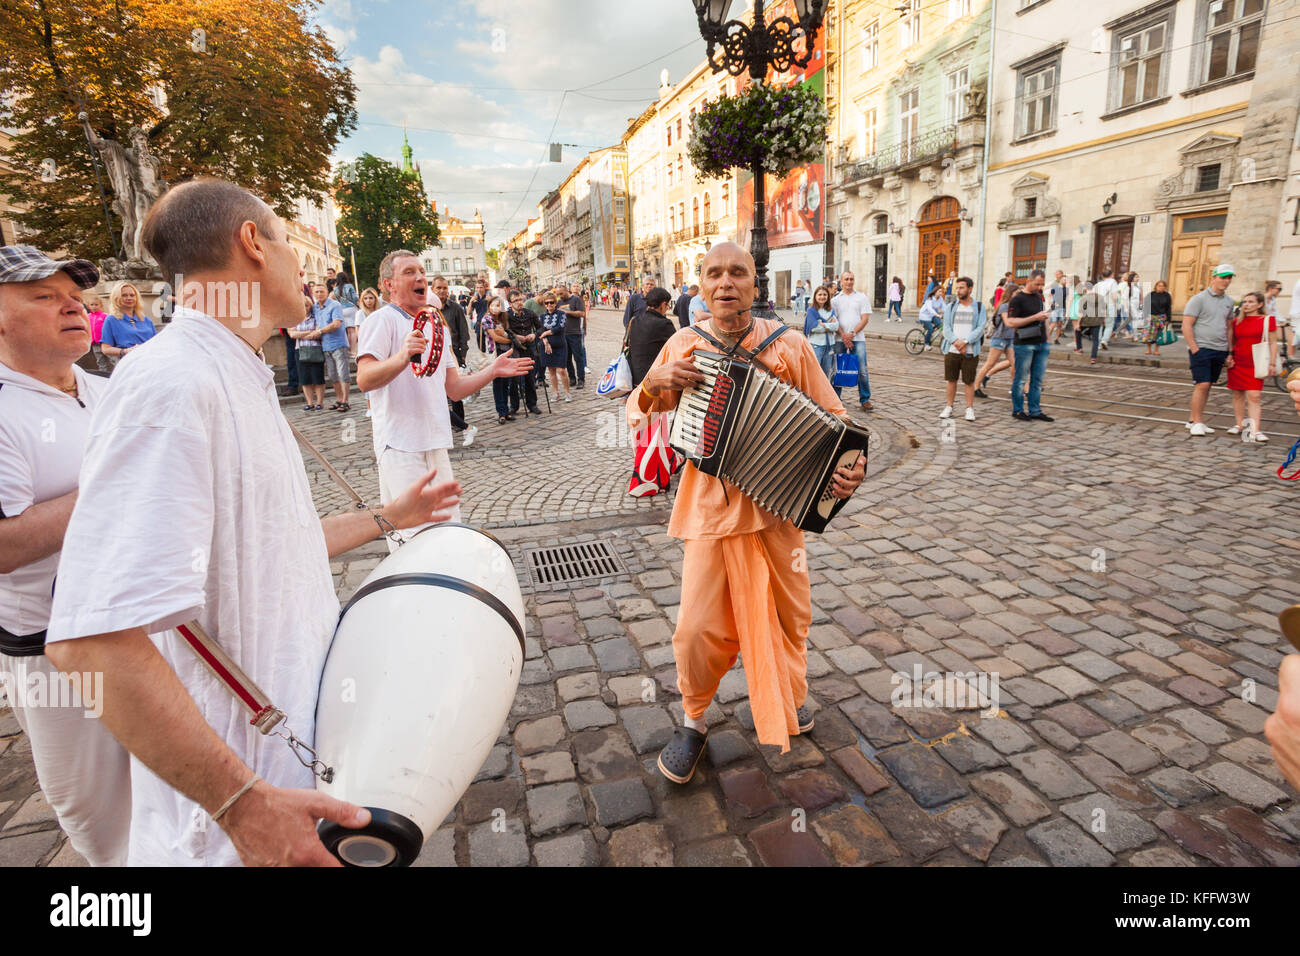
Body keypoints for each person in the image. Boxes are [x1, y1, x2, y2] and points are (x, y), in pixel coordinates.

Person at [42, 178, 466, 867]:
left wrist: (388, 517)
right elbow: (89, 639)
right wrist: (244, 804)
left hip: (297, 788)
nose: (308, 269)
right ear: (251, 244)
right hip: (234, 835)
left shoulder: (233, 371)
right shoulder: (171, 382)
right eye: (290, 245)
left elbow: (269, 551)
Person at [626, 242, 866, 779]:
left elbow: (837, 421)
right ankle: (693, 719)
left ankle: (785, 695)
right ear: (702, 285)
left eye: (739, 274)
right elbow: (636, 415)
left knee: (790, 618)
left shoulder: (792, 345)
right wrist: (649, 387)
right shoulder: (683, 345)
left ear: (755, 288)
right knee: (697, 630)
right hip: (711, 514)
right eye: (715, 274)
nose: (726, 283)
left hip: (781, 512)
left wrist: (852, 468)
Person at [0, 244, 131, 867]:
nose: (72, 306)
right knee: (106, 827)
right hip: (56, 652)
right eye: (44, 296)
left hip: (142, 626)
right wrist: (116, 483)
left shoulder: (110, 390)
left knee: (178, 801)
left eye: (75, 296)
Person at [357, 250, 532, 548]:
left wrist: (492, 371)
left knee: (448, 528)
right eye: (410, 272)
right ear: (389, 284)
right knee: (414, 536)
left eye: (421, 271)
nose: (420, 277)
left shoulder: (435, 325)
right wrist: (402, 357)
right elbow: (364, 378)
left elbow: (454, 389)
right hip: (400, 444)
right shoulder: (381, 321)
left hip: (434, 442)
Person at [626, 287, 681, 498]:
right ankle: (650, 474)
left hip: (639, 382)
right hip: (657, 383)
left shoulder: (635, 320)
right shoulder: (664, 324)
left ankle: (670, 460)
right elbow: (679, 348)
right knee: (656, 430)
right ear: (663, 304)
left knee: (643, 426)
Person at [1184, 264, 1236, 436]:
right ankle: (1197, 422)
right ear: (1213, 278)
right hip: (1202, 348)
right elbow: (1187, 325)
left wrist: (1229, 351)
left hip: (1219, 348)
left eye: (1229, 278)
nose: (1226, 281)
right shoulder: (1198, 299)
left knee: (1208, 385)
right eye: (1223, 277)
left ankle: (1193, 420)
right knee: (1202, 384)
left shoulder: (1229, 302)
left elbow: (1229, 328)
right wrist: (1195, 349)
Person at [1225, 291, 1277, 442]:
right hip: (1238, 362)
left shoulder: (1267, 320)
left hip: (1257, 363)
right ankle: (1239, 425)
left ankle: (1255, 430)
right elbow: (1233, 342)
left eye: (1251, 302)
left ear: (1260, 304)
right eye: (1245, 301)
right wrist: (1230, 356)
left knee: (1254, 396)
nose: (1246, 304)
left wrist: (1272, 363)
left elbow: (1273, 343)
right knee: (1237, 394)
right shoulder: (1237, 321)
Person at [1003, 269, 1054, 422]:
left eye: (1042, 284)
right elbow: (1011, 323)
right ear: (1028, 281)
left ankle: (1035, 410)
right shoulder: (1017, 299)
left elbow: (1043, 318)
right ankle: (1018, 410)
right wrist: (1034, 317)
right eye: (1037, 284)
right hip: (1024, 344)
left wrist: (1047, 339)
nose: (1040, 287)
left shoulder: (1039, 297)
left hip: (1041, 343)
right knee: (1021, 379)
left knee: (1037, 380)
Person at [939, 276, 988, 423]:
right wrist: (956, 342)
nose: (958, 291)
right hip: (952, 350)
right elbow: (946, 328)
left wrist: (965, 342)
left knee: (969, 381)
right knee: (951, 380)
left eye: (961, 288)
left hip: (970, 350)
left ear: (970, 289)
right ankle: (949, 407)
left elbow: (981, 328)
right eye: (957, 288)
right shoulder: (951, 307)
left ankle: (969, 408)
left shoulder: (979, 307)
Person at [831, 270, 874, 410]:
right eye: (846, 279)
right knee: (838, 369)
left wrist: (852, 334)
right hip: (839, 338)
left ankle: (865, 399)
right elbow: (833, 319)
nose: (849, 282)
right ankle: (836, 399)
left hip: (858, 338)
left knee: (862, 369)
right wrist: (843, 335)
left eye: (851, 279)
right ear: (841, 282)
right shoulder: (835, 300)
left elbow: (865, 319)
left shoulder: (861, 298)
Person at [309, 282, 350, 412]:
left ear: (327, 292)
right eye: (317, 292)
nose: (319, 294)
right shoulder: (315, 307)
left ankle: (346, 401)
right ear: (313, 293)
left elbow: (336, 324)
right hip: (325, 345)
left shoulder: (335, 305)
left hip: (338, 343)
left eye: (322, 291)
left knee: (343, 373)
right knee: (333, 375)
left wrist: (319, 331)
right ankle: (339, 399)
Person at [974, 281, 1017, 398]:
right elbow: (1008, 322)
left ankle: (1019, 389)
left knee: (1015, 364)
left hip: (1011, 339)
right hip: (1000, 338)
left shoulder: (1014, 306)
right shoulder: (1004, 306)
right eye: (1016, 293)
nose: (1018, 295)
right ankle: (976, 387)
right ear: (1011, 294)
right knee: (990, 364)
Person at [503, 289, 542, 415]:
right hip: (514, 350)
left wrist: (534, 334)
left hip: (529, 348)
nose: (519, 302)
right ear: (510, 303)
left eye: (521, 299)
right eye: (516, 301)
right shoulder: (506, 315)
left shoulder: (529, 313)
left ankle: (532, 404)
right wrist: (515, 336)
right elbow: (504, 330)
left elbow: (541, 328)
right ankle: (514, 406)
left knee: (530, 377)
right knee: (514, 379)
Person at [100, 281, 155, 364]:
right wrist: (125, 351)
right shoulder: (111, 320)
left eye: (132, 295)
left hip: (150, 361)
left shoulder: (146, 320)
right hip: (129, 363)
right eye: (124, 295)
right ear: (116, 298)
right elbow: (105, 349)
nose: (129, 298)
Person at [290, 293, 327, 410]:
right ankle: (310, 402)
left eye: (306, 306)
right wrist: (309, 333)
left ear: (310, 306)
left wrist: (302, 334)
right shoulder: (294, 319)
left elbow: (317, 332)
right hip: (300, 350)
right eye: (302, 306)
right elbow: (292, 334)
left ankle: (319, 402)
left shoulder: (315, 317)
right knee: (304, 378)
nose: (304, 308)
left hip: (315, 348)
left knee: (318, 377)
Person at [482, 297, 514, 425]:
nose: (495, 308)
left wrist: (506, 337)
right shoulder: (487, 319)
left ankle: (506, 410)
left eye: (498, 305)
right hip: (495, 353)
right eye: (493, 305)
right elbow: (495, 337)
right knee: (498, 383)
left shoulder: (503, 319)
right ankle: (501, 412)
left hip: (506, 353)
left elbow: (507, 332)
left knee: (506, 382)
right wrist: (511, 341)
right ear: (489, 306)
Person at [802, 285, 838, 390]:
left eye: (824, 295)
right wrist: (829, 326)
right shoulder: (811, 311)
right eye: (820, 295)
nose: (822, 297)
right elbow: (813, 328)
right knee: (814, 372)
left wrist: (824, 325)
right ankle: (812, 395)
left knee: (826, 372)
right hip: (816, 345)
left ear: (828, 296)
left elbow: (836, 326)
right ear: (815, 296)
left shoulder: (830, 311)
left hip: (829, 346)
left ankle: (822, 396)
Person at [538, 292, 572, 401]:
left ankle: (567, 392)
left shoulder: (561, 314)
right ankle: (556, 392)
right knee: (551, 370)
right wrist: (545, 341)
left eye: (551, 302)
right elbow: (540, 330)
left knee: (561, 370)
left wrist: (546, 333)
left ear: (555, 303)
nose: (549, 305)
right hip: (547, 347)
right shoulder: (542, 316)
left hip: (560, 345)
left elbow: (560, 327)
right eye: (546, 303)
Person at [561, 281, 587, 389]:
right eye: (558, 294)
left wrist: (568, 312)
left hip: (575, 333)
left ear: (567, 291)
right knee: (567, 358)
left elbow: (582, 313)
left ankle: (581, 379)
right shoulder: (559, 301)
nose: (560, 296)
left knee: (578, 357)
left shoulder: (576, 299)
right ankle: (572, 378)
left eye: (561, 294)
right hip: (563, 334)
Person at [333, 270, 360, 354]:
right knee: (353, 330)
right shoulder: (349, 286)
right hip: (351, 308)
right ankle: (353, 350)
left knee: (348, 331)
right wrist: (359, 305)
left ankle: (349, 349)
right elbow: (354, 298)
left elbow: (337, 300)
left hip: (342, 309)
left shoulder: (335, 289)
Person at [1143, 279, 1172, 357]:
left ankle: (1156, 350)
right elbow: (1145, 306)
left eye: (1163, 286)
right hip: (1151, 317)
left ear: (1165, 287)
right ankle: (1148, 349)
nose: (1161, 287)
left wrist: (1168, 319)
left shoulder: (1167, 296)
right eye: (1159, 286)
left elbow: (1168, 308)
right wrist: (1145, 316)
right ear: (1156, 286)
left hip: (1161, 317)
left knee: (1159, 334)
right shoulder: (1150, 295)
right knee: (1149, 334)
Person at [83, 292, 111, 372]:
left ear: (101, 305)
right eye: (92, 305)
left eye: (96, 304)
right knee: (100, 360)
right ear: (88, 306)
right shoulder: (88, 317)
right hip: (95, 343)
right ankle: (103, 374)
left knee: (112, 359)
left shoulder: (105, 316)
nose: (94, 307)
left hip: (105, 342)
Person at [469, 276, 491, 353]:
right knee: (480, 344)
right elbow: (468, 312)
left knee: (491, 344)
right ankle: (483, 360)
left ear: (485, 288)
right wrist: (471, 301)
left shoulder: (489, 297)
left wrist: (490, 300)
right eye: (477, 288)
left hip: (489, 323)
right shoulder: (475, 298)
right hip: (479, 323)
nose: (479, 289)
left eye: (481, 287)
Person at [1047, 270, 1068, 344]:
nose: (1065, 281)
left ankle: (1056, 339)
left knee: (1059, 324)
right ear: (1061, 280)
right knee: (1053, 323)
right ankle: (1047, 339)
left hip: (1063, 308)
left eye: (1066, 280)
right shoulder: (1055, 287)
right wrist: (1051, 304)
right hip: (1055, 308)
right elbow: (1050, 295)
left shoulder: (1067, 289)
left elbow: (1068, 299)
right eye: (1064, 279)